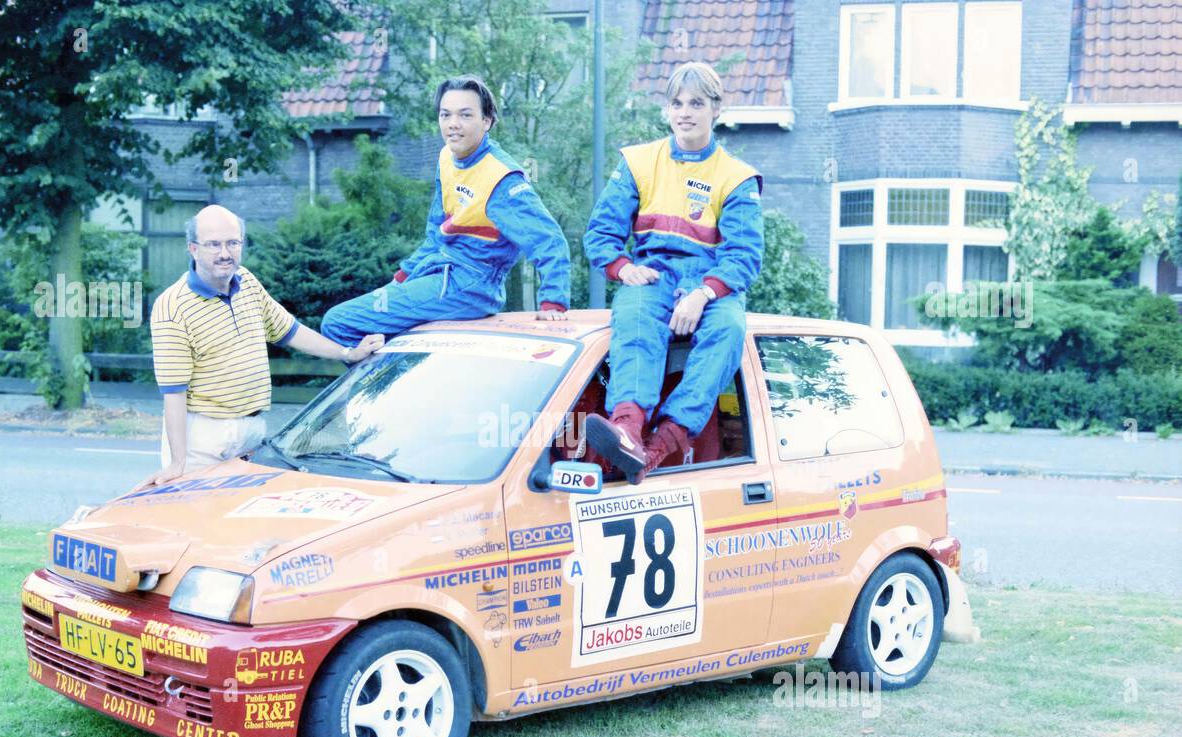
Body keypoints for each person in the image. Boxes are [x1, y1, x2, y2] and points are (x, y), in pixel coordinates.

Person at [582, 61, 764, 484]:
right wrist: (623, 267)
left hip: (711, 281)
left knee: (728, 331)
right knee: (635, 316)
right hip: (654, 273)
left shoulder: (737, 177)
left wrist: (703, 293)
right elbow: (601, 232)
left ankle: (662, 444)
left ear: (715, 109)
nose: (685, 112)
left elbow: (745, 256)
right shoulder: (638, 161)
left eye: (696, 103)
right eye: (677, 103)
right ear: (667, 110)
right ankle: (627, 426)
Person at [141, 204, 382, 487]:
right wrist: (177, 463)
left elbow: (291, 331)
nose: (224, 253)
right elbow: (174, 393)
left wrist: (347, 353)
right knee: (201, 524)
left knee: (243, 524)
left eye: (232, 243)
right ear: (193, 249)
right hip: (203, 440)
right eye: (213, 244)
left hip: (251, 433)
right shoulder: (172, 306)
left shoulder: (248, 283)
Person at [320, 75, 571, 346]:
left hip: (472, 285)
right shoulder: (447, 158)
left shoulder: (502, 179)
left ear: (486, 121)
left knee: (338, 323)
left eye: (465, 115)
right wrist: (404, 276)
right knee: (376, 331)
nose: (453, 124)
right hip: (438, 270)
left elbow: (549, 241)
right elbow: (437, 232)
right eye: (445, 115)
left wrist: (553, 302)